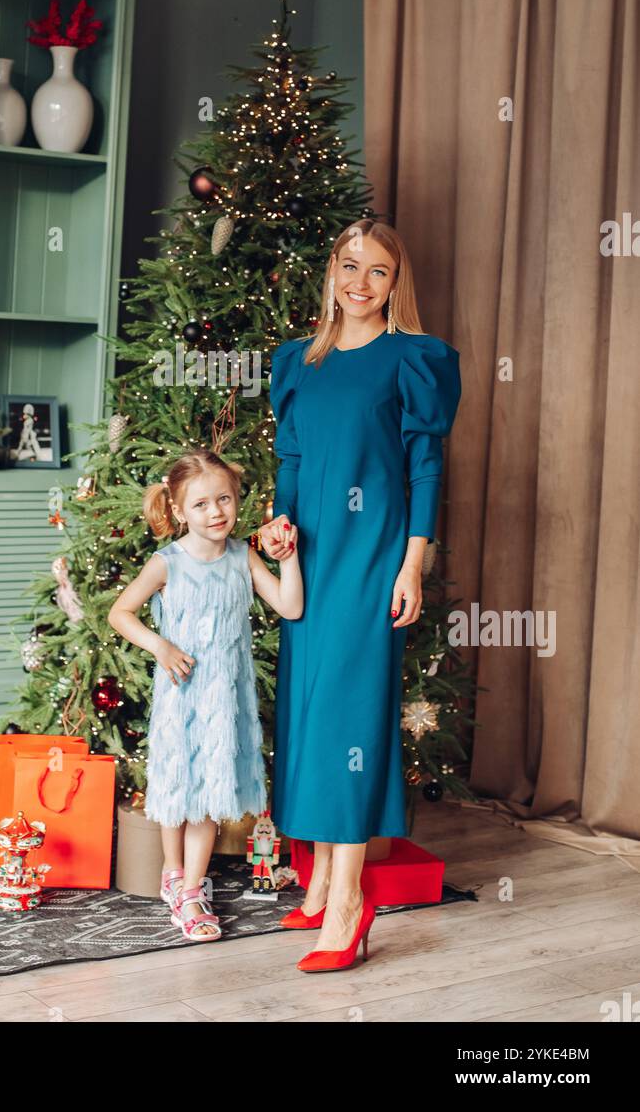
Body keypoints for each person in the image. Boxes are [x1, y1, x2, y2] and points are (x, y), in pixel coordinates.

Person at [260, 218, 462, 973]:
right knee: (310, 710)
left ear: (394, 284)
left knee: (350, 713)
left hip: (373, 556)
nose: (360, 282)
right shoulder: (297, 363)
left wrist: (413, 566)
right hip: (310, 558)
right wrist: (277, 531)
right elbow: (292, 464)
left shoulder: (413, 360)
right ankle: (317, 887)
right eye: (350, 265)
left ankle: (348, 903)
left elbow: (425, 471)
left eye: (378, 272)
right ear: (332, 271)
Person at [108, 448, 303, 942]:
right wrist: (160, 644)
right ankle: (174, 874)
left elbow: (291, 606)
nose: (215, 512)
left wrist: (290, 559)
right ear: (178, 510)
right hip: (181, 695)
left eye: (224, 500)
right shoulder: (166, 563)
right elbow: (120, 613)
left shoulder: (243, 556)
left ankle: (192, 889)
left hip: (224, 700)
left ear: (237, 501)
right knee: (176, 788)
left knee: (210, 796)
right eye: (201, 504)